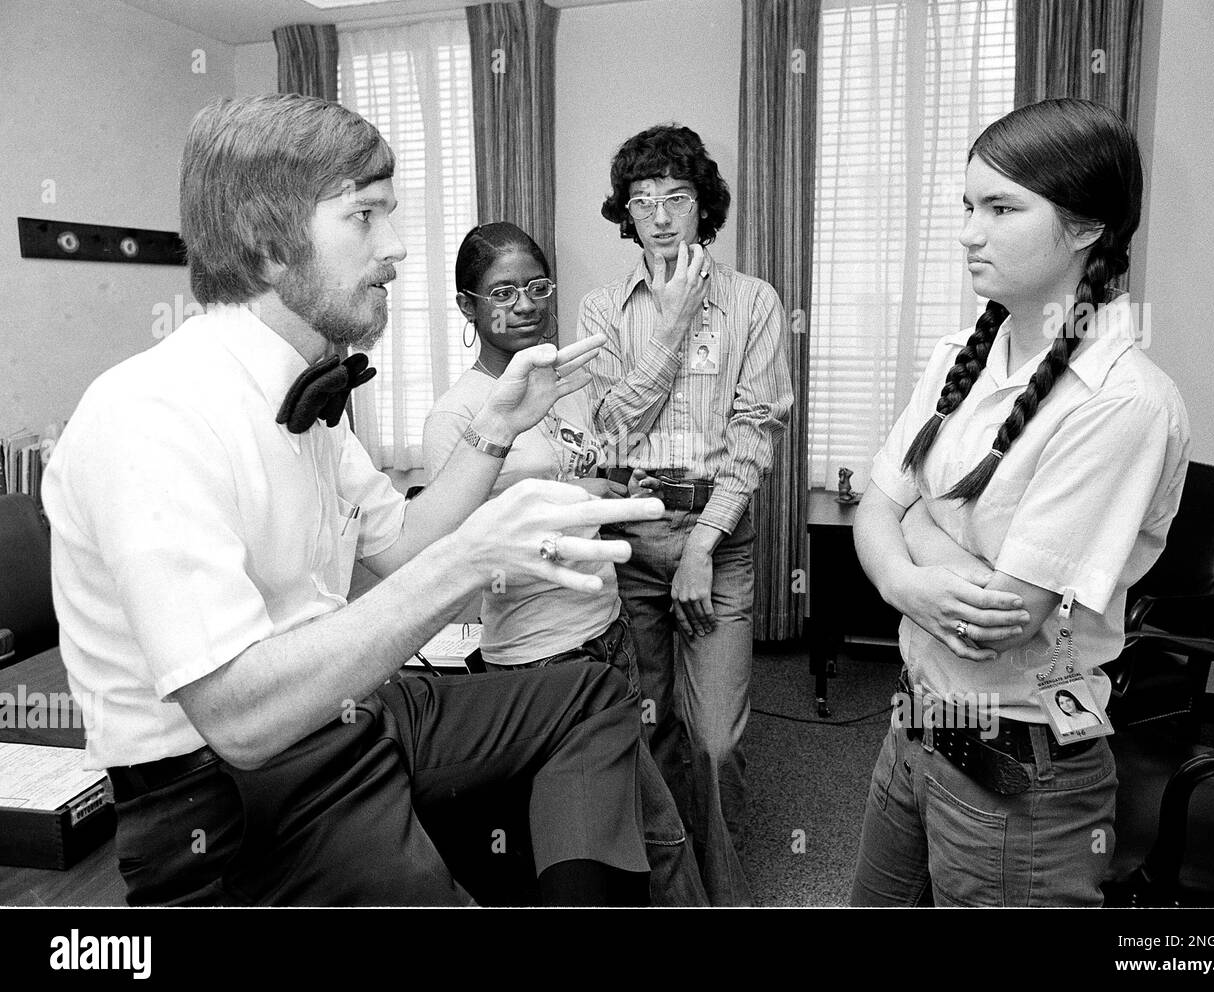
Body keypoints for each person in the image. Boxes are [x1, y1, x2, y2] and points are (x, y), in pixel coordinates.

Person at [41, 93, 666, 907]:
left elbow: (402, 544)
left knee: (589, 694)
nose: (398, 247)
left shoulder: (307, 396)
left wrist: (497, 429)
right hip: (230, 789)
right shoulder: (149, 414)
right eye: (365, 216)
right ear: (268, 246)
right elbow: (238, 715)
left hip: (351, 707)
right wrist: (474, 554)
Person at [849, 98, 1191, 907]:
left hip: (1021, 763)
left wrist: (916, 522)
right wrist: (906, 576)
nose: (970, 231)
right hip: (917, 722)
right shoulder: (957, 355)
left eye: (1002, 208)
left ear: (1084, 228)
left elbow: (999, 615)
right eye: (968, 205)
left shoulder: (1122, 400)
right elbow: (870, 506)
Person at [421, 221, 707, 905]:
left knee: (623, 830)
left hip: (607, 630)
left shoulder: (562, 387)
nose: (525, 303)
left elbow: (587, 467)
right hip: (544, 657)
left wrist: (615, 491)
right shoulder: (457, 415)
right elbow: (458, 545)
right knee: (653, 830)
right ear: (468, 306)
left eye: (537, 287)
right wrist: (583, 498)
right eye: (503, 291)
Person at [579, 124, 794, 904]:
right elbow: (607, 428)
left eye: (676, 197)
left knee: (715, 737)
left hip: (718, 539)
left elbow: (755, 429)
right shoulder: (603, 308)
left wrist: (704, 542)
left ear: (705, 208)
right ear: (626, 216)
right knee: (648, 719)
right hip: (630, 538)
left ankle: (726, 894)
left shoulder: (753, 303)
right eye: (642, 201)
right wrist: (667, 327)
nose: (660, 215)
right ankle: (676, 883)